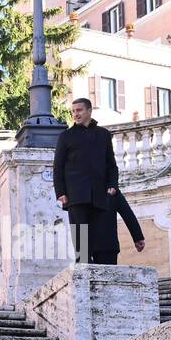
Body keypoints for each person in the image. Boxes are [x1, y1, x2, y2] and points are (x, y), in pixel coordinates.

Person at [54, 97, 119, 265]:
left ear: (89, 111)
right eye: (73, 111)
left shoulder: (103, 135)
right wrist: (61, 192)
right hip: (75, 194)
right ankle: (82, 264)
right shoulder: (66, 136)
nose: (76, 114)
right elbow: (58, 166)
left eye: (79, 110)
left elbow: (111, 164)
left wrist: (113, 184)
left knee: (96, 232)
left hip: (98, 193)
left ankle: (93, 264)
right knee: (80, 232)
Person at [88, 191, 146, 267]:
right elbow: (127, 213)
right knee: (107, 276)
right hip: (106, 244)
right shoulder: (111, 190)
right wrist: (138, 237)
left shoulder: (82, 188)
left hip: (84, 245)